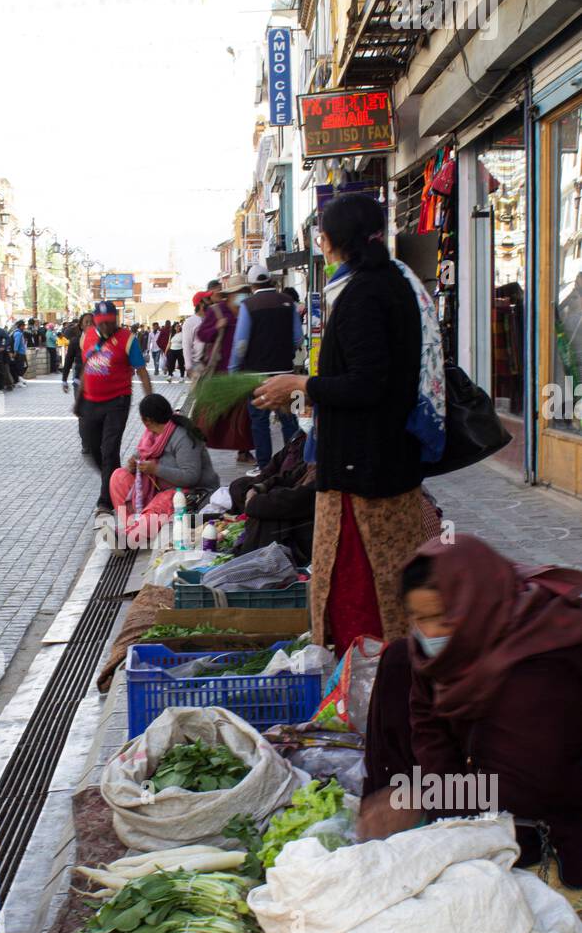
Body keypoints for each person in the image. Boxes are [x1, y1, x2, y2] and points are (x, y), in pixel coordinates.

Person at [252, 192, 426, 654]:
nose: (320, 242)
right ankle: (383, 682)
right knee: (386, 586)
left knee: (359, 593)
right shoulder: (391, 282)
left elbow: (367, 384)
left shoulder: (364, 294)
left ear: (333, 240)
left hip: (363, 475)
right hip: (382, 462)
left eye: (323, 234)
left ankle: (369, 687)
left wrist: (303, 384)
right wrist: (302, 393)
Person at [357, 535, 582, 889]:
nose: (429, 631)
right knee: (399, 657)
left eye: (441, 618)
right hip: (494, 786)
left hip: (558, 807)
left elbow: (521, 790)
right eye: (420, 618)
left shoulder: (539, 670)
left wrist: (421, 796)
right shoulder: (442, 648)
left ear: (474, 604)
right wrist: (437, 794)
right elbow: (428, 728)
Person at [109, 394, 219, 540]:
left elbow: (191, 477)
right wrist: (133, 465)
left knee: (165, 500)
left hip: (194, 494)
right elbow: (139, 455)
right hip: (159, 491)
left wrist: (155, 469)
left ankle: (131, 536)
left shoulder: (182, 437)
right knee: (119, 476)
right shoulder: (151, 434)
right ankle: (132, 525)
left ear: (146, 420)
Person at [78, 300, 152, 515]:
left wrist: (150, 402)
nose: (105, 327)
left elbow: (141, 370)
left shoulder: (128, 339)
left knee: (110, 449)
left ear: (116, 319)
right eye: (101, 323)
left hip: (117, 401)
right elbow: (86, 368)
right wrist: (78, 399)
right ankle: (116, 480)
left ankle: (105, 502)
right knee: (92, 449)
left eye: (109, 322)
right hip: (90, 401)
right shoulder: (86, 337)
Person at [230, 264, 303, 475]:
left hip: (256, 375)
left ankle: (264, 466)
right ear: (270, 280)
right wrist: (284, 351)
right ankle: (294, 462)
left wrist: (234, 369)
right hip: (286, 372)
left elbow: (241, 343)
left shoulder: (248, 305)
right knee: (290, 418)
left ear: (251, 285)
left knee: (259, 422)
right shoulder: (288, 302)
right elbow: (298, 337)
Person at [227, 427, 316, 564]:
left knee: (266, 512)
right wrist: (258, 487)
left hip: (305, 526)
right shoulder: (299, 439)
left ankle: (257, 563)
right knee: (241, 487)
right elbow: (286, 474)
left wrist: (256, 501)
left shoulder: (327, 460)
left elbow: (300, 498)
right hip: (289, 498)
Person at [193, 273, 255, 464]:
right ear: (230, 294)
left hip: (245, 369)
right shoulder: (217, 311)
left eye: (245, 291)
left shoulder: (250, 309)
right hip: (220, 370)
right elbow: (202, 335)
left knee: (243, 415)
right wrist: (216, 327)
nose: (242, 295)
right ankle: (196, 447)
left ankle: (244, 451)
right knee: (212, 413)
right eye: (239, 292)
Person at [182, 293, 209, 377]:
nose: (210, 302)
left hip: (210, 362)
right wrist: (189, 367)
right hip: (198, 365)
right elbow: (186, 345)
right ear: (201, 304)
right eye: (207, 300)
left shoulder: (210, 319)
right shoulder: (190, 322)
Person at [11, 320, 28, 384]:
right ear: (20, 326)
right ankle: (19, 379)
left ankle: (19, 378)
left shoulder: (20, 333)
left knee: (23, 366)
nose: (24, 327)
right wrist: (15, 351)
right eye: (23, 326)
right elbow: (16, 343)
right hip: (19, 353)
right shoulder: (18, 333)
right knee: (21, 366)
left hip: (22, 352)